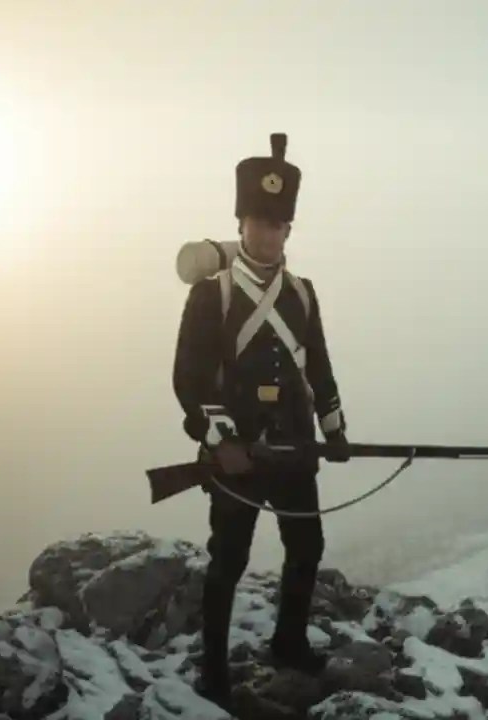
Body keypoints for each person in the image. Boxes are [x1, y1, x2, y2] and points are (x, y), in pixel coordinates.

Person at [172, 132, 350, 711]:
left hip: (294, 450)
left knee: (307, 546)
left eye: (277, 224)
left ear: (288, 231)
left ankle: (289, 642)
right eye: (257, 221)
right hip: (239, 456)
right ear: (241, 223)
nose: (266, 233)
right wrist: (222, 443)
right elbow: (188, 380)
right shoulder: (212, 295)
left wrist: (334, 427)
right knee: (229, 560)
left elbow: (317, 363)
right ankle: (215, 672)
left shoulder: (303, 293)